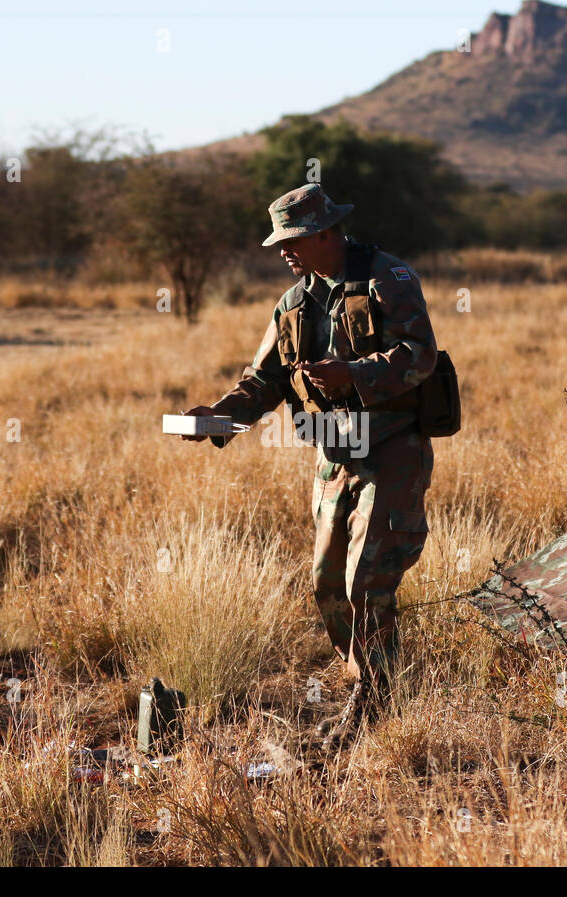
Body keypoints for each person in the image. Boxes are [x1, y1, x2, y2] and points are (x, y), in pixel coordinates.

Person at [180, 183, 437, 750]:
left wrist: (355, 374)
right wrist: (221, 416)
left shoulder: (386, 279)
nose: (284, 253)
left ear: (327, 232)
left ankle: (373, 707)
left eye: (293, 241)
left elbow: (420, 356)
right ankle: (367, 684)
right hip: (332, 454)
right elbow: (264, 380)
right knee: (326, 585)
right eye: (278, 244)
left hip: (391, 451)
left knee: (367, 581)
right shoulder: (293, 302)